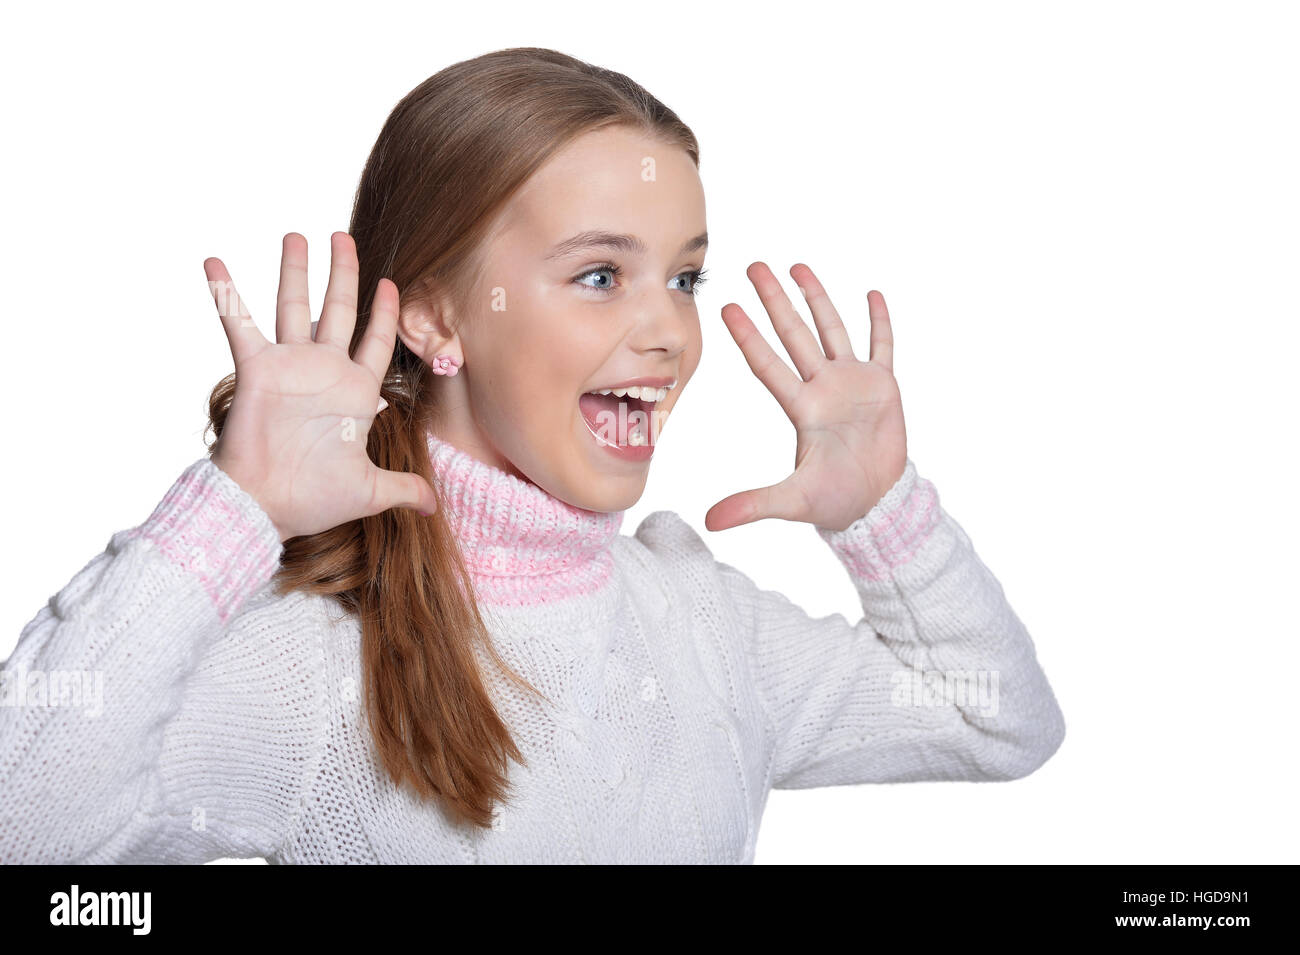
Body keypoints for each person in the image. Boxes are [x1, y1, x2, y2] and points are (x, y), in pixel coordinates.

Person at [0, 46, 1065, 864]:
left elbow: (998, 719)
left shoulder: (705, 627)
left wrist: (883, 515)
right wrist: (231, 511)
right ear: (435, 319)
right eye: (601, 275)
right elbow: (24, 822)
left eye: (684, 278)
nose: (669, 334)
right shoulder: (317, 667)